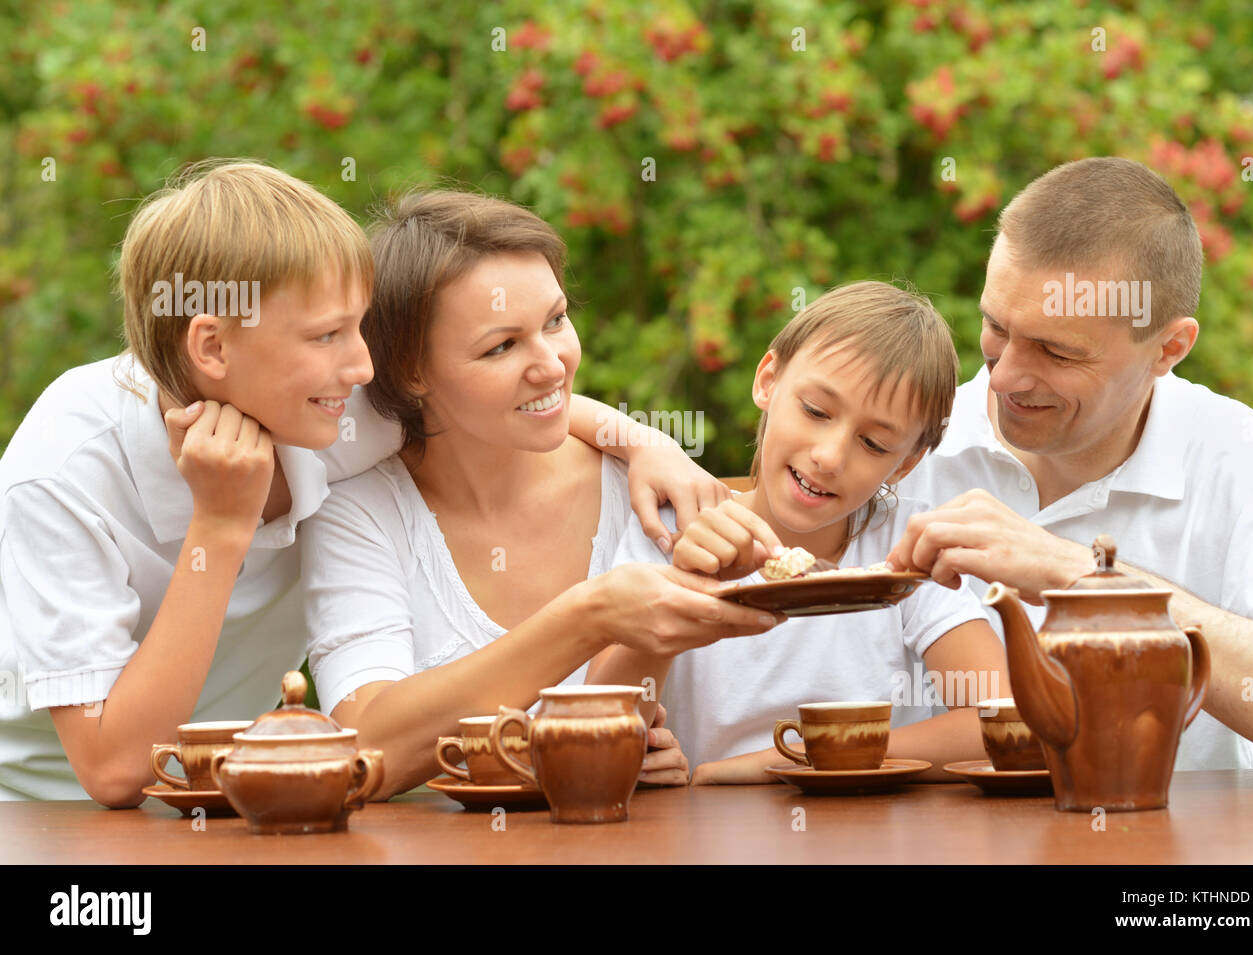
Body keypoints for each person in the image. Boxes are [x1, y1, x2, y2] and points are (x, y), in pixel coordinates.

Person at [0, 163, 738, 805]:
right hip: (45, 818)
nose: (361, 367)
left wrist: (646, 442)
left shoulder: (323, 402)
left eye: (359, 327)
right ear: (213, 346)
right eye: (326, 335)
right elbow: (116, 771)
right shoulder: (60, 476)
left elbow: (503, 389)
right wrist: (221, 526)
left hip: (240, 806)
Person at [301, 190, 780, 800]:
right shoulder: (360, 513)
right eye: (501, 346)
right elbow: (367, 752)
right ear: (412, 371)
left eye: (555, 320)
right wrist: (589, 615)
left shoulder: (647, 487)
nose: (552, 366)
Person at [886, 157, 1253, 768]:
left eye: (1056, 352)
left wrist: (1090, 582)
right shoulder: (898, 440)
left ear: (1169, 348)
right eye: (996, 326)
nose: (1001, 377)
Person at [589, 281, 1009, 783]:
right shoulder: (672, 530)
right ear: (768, 380)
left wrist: (775, 765)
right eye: (815, 411)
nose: (830, 457)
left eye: (874, 444)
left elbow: (1000, 723)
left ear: (906, 464)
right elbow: (598, 730)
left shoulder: (908, 549)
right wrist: (681, 588)